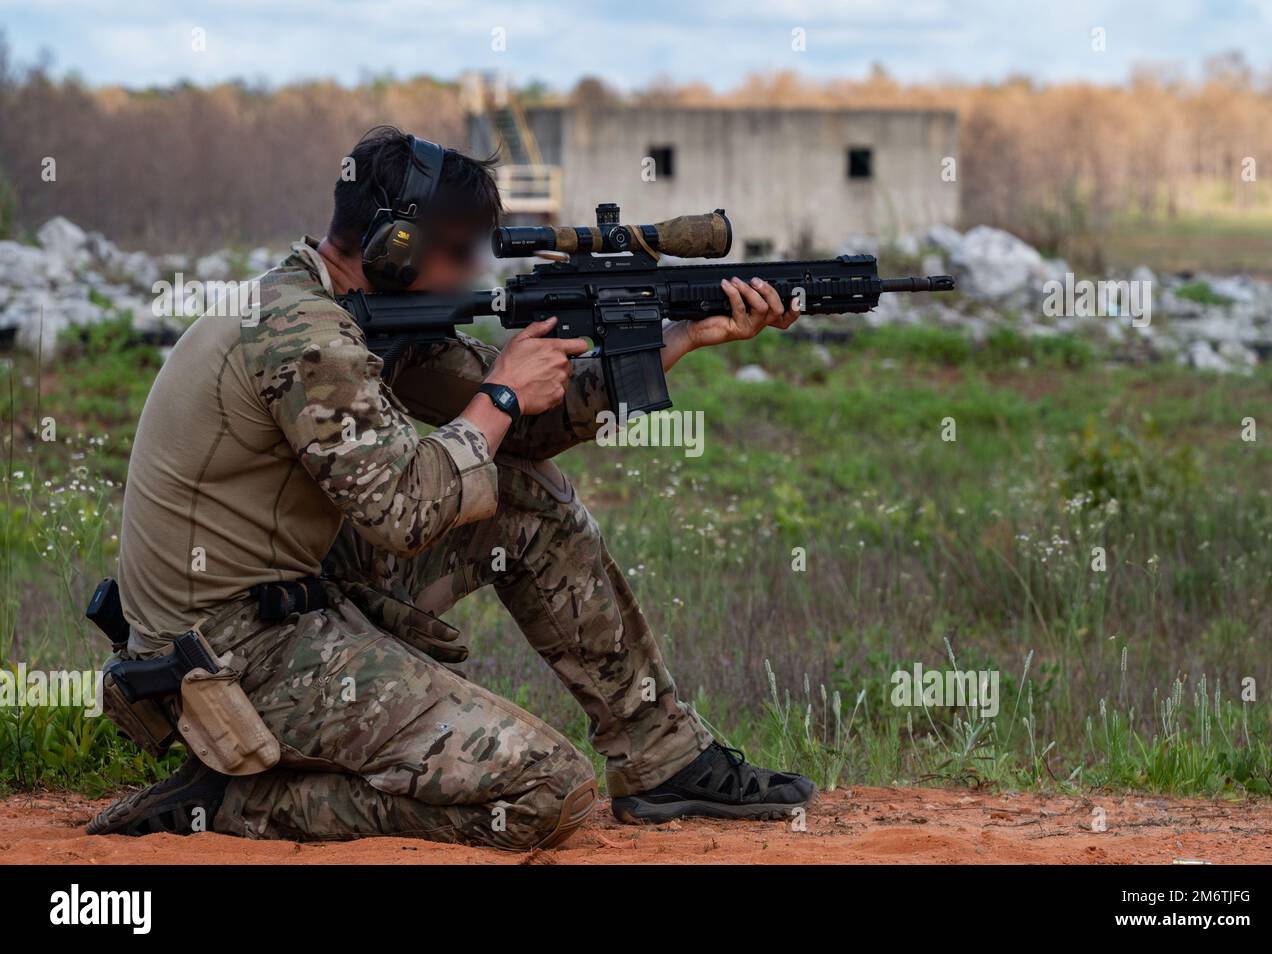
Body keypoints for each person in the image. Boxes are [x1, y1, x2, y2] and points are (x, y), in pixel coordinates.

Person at [89, 126, 813, 850]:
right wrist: (498, 397)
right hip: (230, 654)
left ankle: (665, 760)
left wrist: (673, 340)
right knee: (546, 794)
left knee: (526, 498)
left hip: (288, 597)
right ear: (392, 246)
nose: (473, 270)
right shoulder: (304, 336)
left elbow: (523, 433)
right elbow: (402, 511)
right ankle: (230, 803)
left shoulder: (344, 307)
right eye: (459, 250)